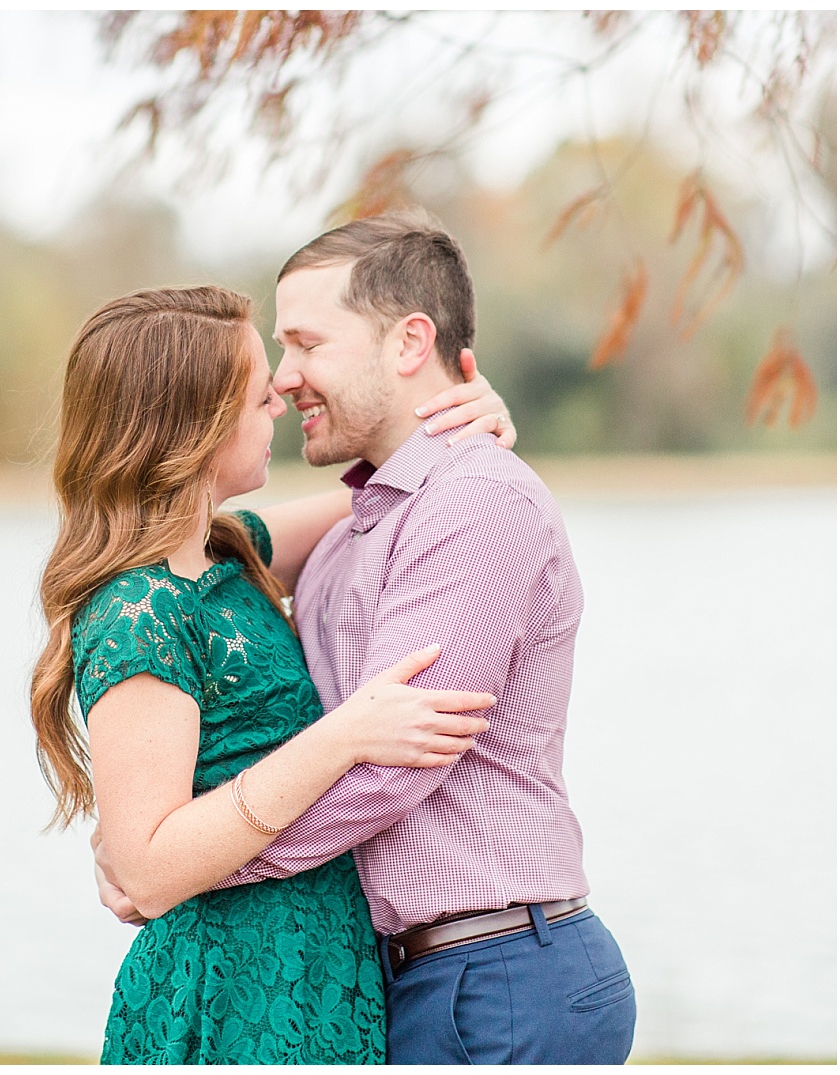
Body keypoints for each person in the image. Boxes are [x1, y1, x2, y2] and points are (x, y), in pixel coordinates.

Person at [94, 208, 636, 1064]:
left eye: (308, 344)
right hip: (397, 975)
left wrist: (185, 863)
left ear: (410, 342)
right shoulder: (349, 529)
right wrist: (149, 845)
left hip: (493, 970)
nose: (284, 381)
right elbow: (199, 590)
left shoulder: (476, 502)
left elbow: (386, 772)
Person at [30, 284, 517, 1064]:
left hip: (320, 969)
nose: (281, 406)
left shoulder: (228, 552)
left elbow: (380, 499)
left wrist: (464, 422)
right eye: (260, 397)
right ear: (193, 425)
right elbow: (147, 869)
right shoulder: (138, 609)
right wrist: (344, 736)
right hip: (232, 990)